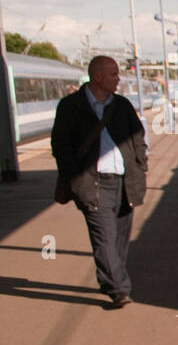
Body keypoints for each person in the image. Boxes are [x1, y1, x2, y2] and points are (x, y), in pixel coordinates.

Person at [50, 56, 148, 309]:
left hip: (125, 182)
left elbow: (138, 137)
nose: (118, 79)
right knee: (104, 238)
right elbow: (61, 146)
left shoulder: (122, 106)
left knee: (119, 240)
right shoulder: (71, 107)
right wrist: (75, 178)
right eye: (114, 74)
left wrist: (140, 166)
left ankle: (109, 280)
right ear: (98, 77)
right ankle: (119, 289)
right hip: (92, 183)